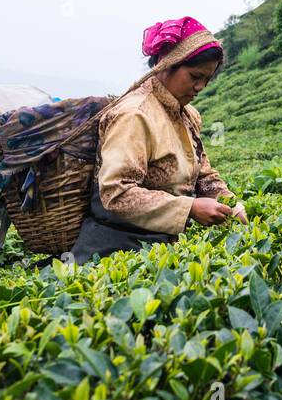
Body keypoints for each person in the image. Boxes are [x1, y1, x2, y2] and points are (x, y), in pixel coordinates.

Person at [69, 16, 246, 264]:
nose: (200, 87)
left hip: (159, 248)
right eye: (195, 76)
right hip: (111, 252)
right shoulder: (134, 115)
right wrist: (190, 208)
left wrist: (229, 202)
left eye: (207, 79)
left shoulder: (188, 115)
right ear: (166, 64)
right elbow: (116, 192)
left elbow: (204, 175)